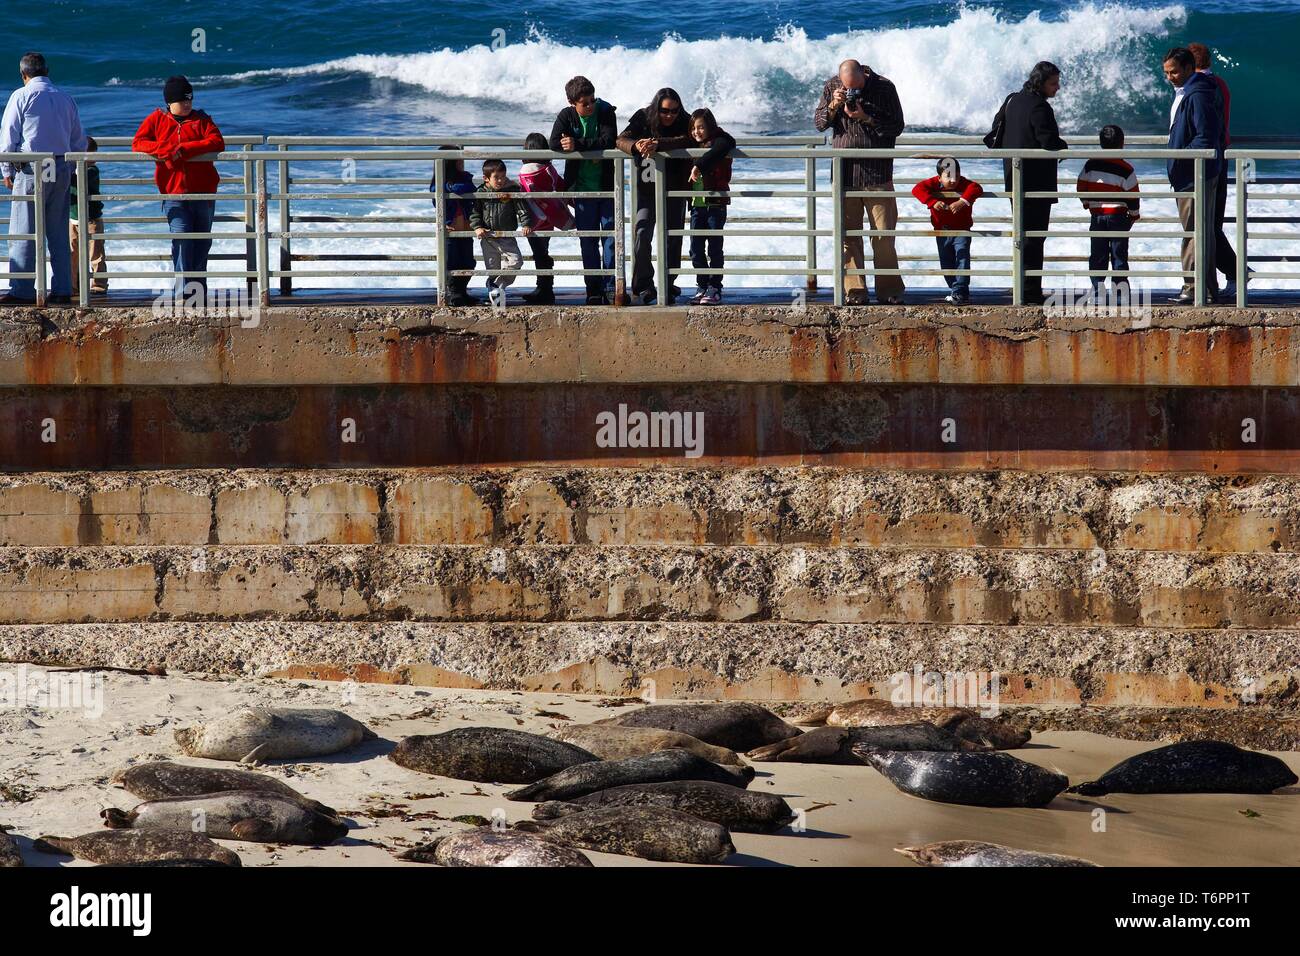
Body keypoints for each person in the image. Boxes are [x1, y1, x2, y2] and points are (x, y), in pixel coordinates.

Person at [619, 88, 734, 305]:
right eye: (664, 111)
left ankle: (668, 284)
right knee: (642, 234)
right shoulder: (643, 116)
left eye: (674, 111)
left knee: (673, 239)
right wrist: (636, 145)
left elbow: (688, 139)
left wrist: (658, 143)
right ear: (656, 108)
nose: (669, 115)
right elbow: (621, 139)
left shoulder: (684, 119)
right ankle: (643, 285)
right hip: (646, 189)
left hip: (676, 189)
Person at [813, 59, 905, 305]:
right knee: (848, 237)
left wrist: (865, 117)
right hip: (845, 174)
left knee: (884, 236)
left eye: (856, 88)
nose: (853, 92)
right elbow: (820, 123)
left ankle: (890, 291)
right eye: (848, 88)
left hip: (877, 174)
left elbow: (897, 127)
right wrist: (834, 104)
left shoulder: (885, 88)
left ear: (863, 76)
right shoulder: (831, 86)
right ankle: (855, 292)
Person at [1, 52, 86, 305]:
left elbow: (8, 138)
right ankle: (61, 289)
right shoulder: (65, 98)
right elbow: (78, 140)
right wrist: (70, 168)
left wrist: (6, 171)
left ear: (23, 74)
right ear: (47, 72)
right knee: (58, 231)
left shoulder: (21, 96)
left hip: (31, 168)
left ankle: (23, 289)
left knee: (24, 229)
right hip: (59, 166)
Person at [131, 75, 225, 303]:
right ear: (170, 102)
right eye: (183, 100)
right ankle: (184, 292)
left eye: (190, 100)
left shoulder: (202, 119)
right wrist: (166, 149)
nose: (187, 104)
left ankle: (199, 291)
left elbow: (217, 142)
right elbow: (138, 143)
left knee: (202, 241)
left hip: (203, 192)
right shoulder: (157, 118)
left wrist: (184, 149)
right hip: (173, 192)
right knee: (182, 239)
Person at [986, 61, 1067, 305]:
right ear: (1041, 83)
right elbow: (1048, 141)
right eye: (1053, 83)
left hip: (1014, 177)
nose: (1058, 88)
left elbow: (995, 129)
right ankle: (1030, 290)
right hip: (1037, 182)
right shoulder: (1040, 107)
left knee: (1022, 235)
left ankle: (1020, 285)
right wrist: (1064, 146)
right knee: (1035, 236)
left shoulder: (1013, 99)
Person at [549, 76, 617, 304]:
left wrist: (578, 144)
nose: (590, 106)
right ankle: (593, 290)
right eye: (584, 103)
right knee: (588, 241)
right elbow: (553, 144)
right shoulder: (566, 115)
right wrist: (570, 144)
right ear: (572, 102)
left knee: (610, 239)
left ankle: (610, 286)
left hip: (607, 188)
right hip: (582, 190)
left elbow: (609, 141)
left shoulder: (605, 111)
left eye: (592, 100)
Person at [1163, 46, 1223, 304]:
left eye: (1174, 72)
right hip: (1192, 172)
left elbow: (1205, 138)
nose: (1169, 77)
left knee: (1193, 231)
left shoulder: (1197, 94)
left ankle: (1192, 287)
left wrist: (1181, 156)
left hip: (1194, 174)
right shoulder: (1190, 91)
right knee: (1201, 230)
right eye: (1166, 73)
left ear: (1189, 68)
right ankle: (1207, 287)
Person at [1188, 41, 1243, 295]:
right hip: (1221, 156)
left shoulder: (1199, 87)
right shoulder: (1219, 83)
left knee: (1205, 224)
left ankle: (1234, 272)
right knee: (1211, 223)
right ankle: (1227, 276)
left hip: (1208, 161)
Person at [1077, 125, 1140, 302]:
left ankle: (1098, 291)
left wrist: (1087, 203)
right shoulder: (1126, 168)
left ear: (1101, 143)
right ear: (1122, 144)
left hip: (1097, 216)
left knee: (1098, 253)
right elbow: (1133, 195)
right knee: (1119, 254)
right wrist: (1134, 214)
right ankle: (1120, 293)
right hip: (1119, 217)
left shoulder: (1091, 164)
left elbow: (1081, 185)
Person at [911, 157, 983, 306]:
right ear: (939, 177)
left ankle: (959, 292)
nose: (953, 180)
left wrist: (963, 201)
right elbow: (917, 189)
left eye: (956, 176)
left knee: (962, 258)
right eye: (948, 176)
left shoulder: (963, 183)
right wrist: (932, 202)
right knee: (946, 263)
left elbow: (976, 188)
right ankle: (957, 291)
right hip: (941, 232)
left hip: (962, 230)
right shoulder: (933, 183)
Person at [469, 158, 534, 307]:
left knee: (516, 261)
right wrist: (477, 227)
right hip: (488, 237)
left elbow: (521, 208)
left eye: (503, 177)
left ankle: (495, 285)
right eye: (496, 178)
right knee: (493, 268)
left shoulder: (511, 190)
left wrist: (526, 224)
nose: (500, 180)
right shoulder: (480, 192)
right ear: (486, 178)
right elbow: (474, 212)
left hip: (506, 236)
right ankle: (498, 302)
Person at [518, 132, 574, 305]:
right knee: (543, 253)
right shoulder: (550, 169)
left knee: (540, 254)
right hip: (549, 218)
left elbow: (523, 193)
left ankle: (545, 290)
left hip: (533, 220)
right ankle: (544, 288)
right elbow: (561, 187)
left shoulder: (526, 171)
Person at [686, 108, 734, 305]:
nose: (697, 132)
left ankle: (715, 287)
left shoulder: (719, 141)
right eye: (694, 128)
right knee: (695, 249)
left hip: (715, 203)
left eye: (701, 127)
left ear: (710, 127)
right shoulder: (690, 145)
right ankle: (702, 285)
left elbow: (727, 143)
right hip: (697, 204)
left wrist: (699, 165)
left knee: (714, 248)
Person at [431, 144, 477, 306]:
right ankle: (454, 293)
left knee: (469, 261)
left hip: (465, 226)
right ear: (449, 162)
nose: (462, 162)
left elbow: (469, 187)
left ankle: (463, 291)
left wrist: (451, 187)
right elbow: (436, 195)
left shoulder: (465, 178)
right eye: (459, 159)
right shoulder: (438, 182)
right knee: (452, 261)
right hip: (449, 227)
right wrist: (449, 186)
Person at [69, 135, 108, 297]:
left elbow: (81, 180)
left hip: (92, 219)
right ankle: (73, 285)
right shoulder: (72, 170)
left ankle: (99, 284)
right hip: (73, 217)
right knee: (72, 254)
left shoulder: (92, 170)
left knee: (96, 254)